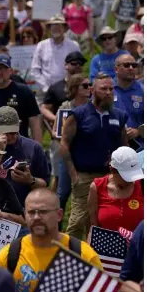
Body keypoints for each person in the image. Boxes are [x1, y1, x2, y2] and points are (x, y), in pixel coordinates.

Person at [61, 74, 129, 240]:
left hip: (111, 177)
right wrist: (74, 175)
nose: (108, 92)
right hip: (85, 177)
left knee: (105, 220)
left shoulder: (119, 116)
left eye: (111, 89)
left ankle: (100, 259)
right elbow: (64, 145)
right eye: (103, 89)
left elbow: (124, 146)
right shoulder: (78, 115)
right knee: (78, 222)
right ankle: (72, 258)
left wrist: (125, 174)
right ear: (92, 90)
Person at [89, 146, 143, 292]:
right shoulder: (97, 187)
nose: (131, 181)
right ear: (113, 170)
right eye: (126, 176)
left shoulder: (142, 185)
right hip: (108, 263)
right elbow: (94, 226)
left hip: (138, 261)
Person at [0, 54, 42, 142]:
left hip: (19, 146)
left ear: (10, 71)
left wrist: (37, 149)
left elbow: (34, 123)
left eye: (2, 68)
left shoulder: (24, 91)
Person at [0, 107, 50, 208]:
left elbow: (45, 184)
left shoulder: (33, 148)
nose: (10, 136)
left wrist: (30, 180)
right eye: (5, 132)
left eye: (13, 132)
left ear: (19, 126)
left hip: (24, 207)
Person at [53, 74, 92, 212]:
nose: (89, 88)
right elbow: (55, 132)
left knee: (88, 195)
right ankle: (56, 227)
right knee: (62, 193)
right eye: (85, 85)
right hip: (67, 154)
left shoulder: (92, 107)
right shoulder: (65, 107)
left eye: (90, 85)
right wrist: (64, 137)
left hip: (86, 155)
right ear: (75, 88)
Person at [30, 16, 81, 95]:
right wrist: (46, 88)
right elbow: (35, 70)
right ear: (49, 29)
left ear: (64, 28)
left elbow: (79, 69)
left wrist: (70, 86)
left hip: (67, 90)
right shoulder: (41, 45)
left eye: (59, 26)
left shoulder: (74, 46)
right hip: (45, 91)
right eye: (53, 26)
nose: (56, 28)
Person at [113, 54, 144, 142]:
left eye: (134, 65)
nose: (131, 68)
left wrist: (138, 132)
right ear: (116, 69)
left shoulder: (143, 91)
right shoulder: (106, 89)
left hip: (141, 148)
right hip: (114, 147)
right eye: (126, 65)